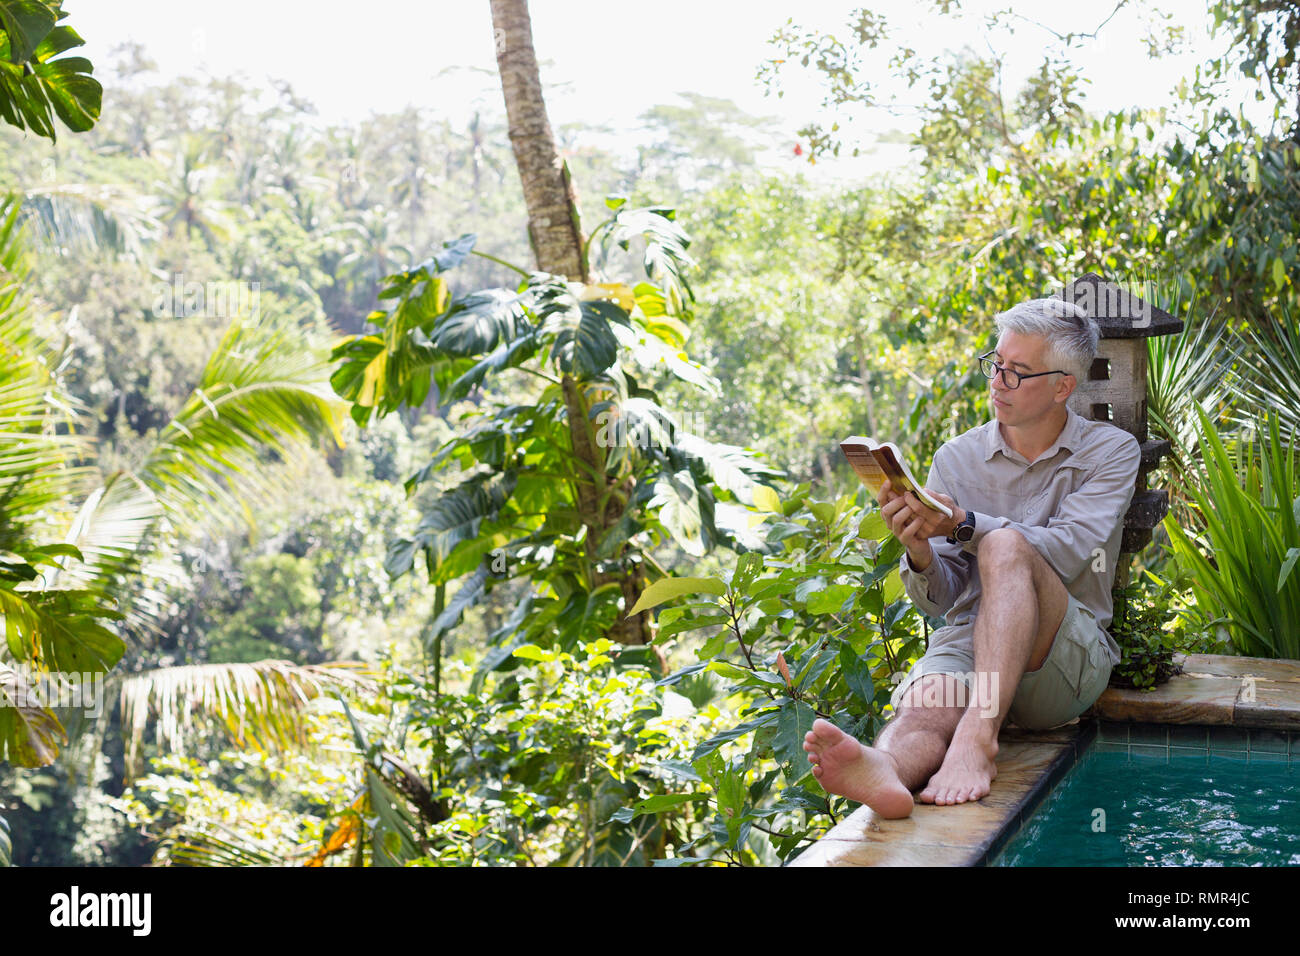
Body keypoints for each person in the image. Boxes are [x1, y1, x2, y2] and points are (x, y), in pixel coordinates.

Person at [803, 297, 1141, 818]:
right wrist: (918, 549)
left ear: (1062, 387)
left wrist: (965, 525)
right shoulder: (956, 458)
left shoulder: (1111, 452)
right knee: (922, 710)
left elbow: (1069, 553)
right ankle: (886, 770)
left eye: (1018, 373)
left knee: (1007, 545)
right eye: (996, 365)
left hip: (1061, 658)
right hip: (971, 644)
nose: (998, 382)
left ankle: (978, 737)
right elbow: (940, 601)